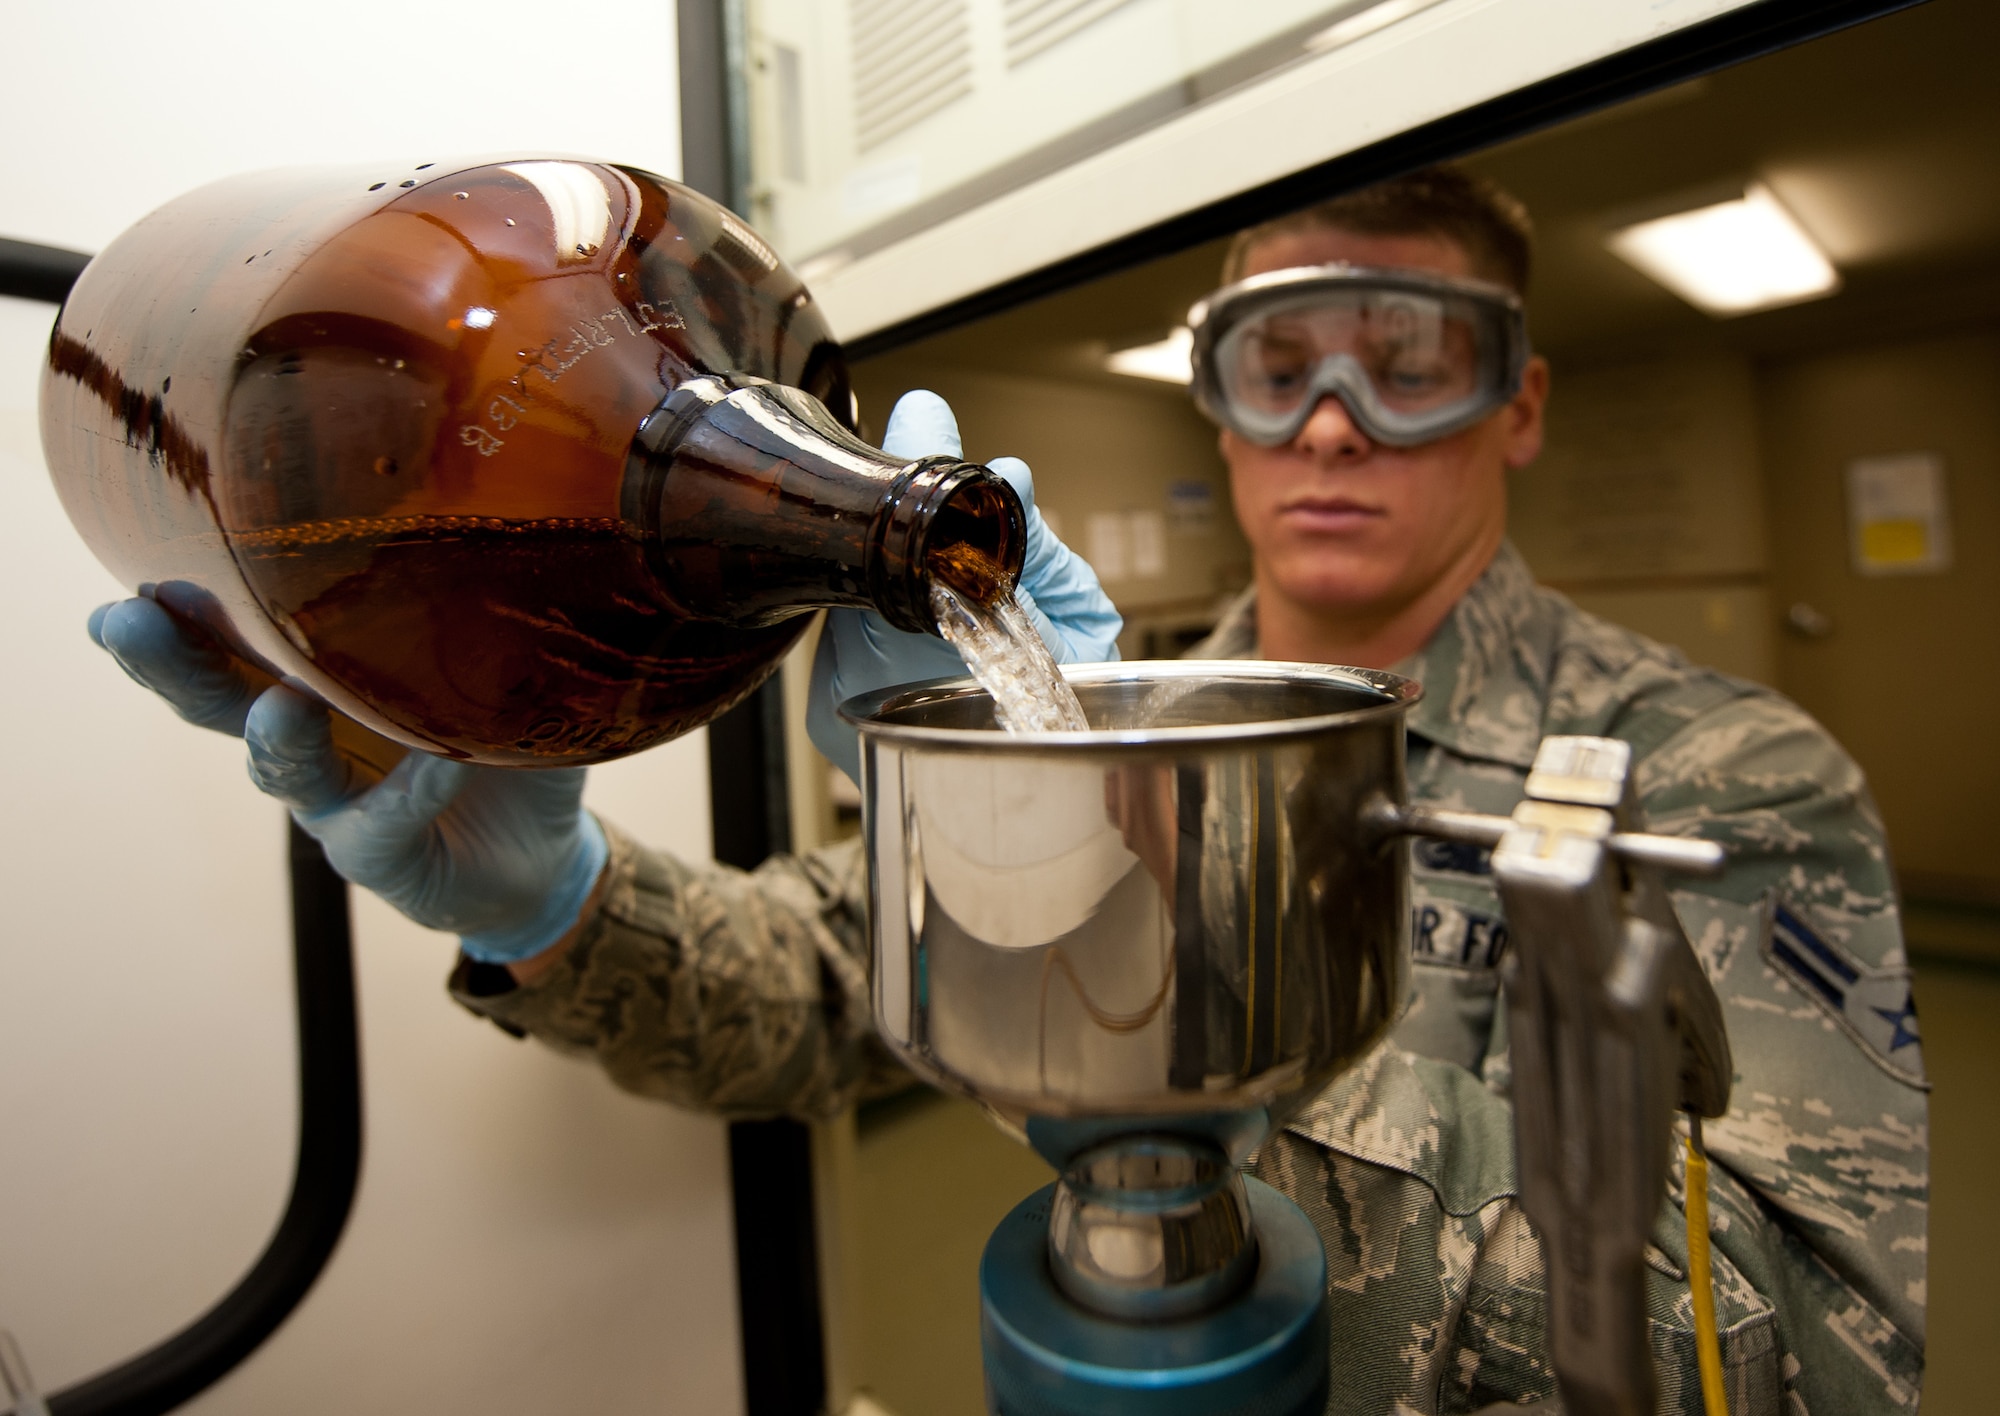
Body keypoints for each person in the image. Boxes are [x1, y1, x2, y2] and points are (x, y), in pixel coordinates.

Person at [91, 166, 1924, 1415]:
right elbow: (827, 989)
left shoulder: (1723, 772)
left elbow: (1807, 1361)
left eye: (1413, 362)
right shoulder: (1056, 681)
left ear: (1518, 405)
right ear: (1213, 402)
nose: (1339, 421)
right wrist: (562, 910)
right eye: (1276, 367)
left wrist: (1160, 966)